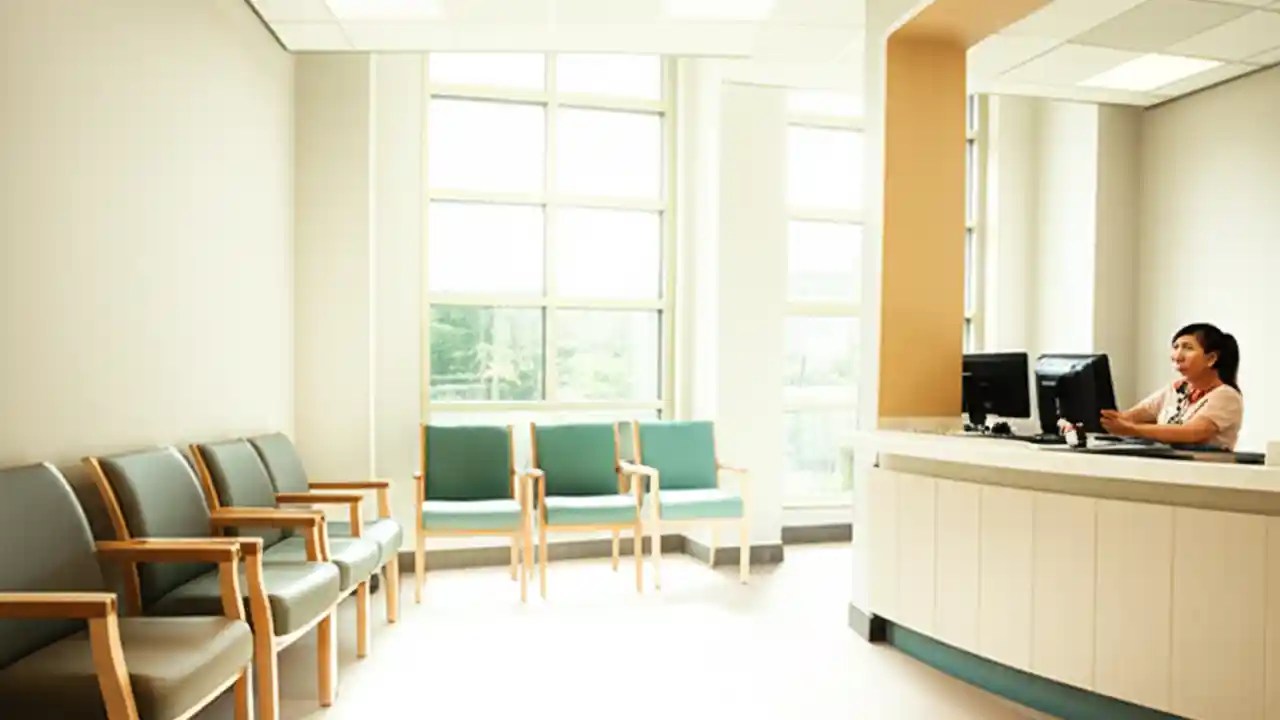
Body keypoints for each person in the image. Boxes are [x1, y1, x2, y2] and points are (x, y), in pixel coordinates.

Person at [1098, 322, 1243, 450]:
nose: (1177, 356)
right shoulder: (1175, 389)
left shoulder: (1226, 395)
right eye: (1175, 347)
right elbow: (1129, 417)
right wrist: (1102, 418)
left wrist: (1132, 429)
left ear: (1211, 359)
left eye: (1188, 348)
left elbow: (1192, 433)